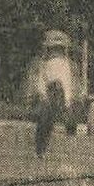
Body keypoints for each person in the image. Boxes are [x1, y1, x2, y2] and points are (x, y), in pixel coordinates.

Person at [24, 29, 76, 158]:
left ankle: (69, 137)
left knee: (64, 118)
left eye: (58, 49)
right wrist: (42, 93)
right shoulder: (44, 64)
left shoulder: (64, 64)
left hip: (60, 92)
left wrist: (67, 99)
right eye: (53, 49)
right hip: (49, 92)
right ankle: (40, 149)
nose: (55, 52)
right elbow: (41, 79)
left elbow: (66, 81)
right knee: (45, 121)